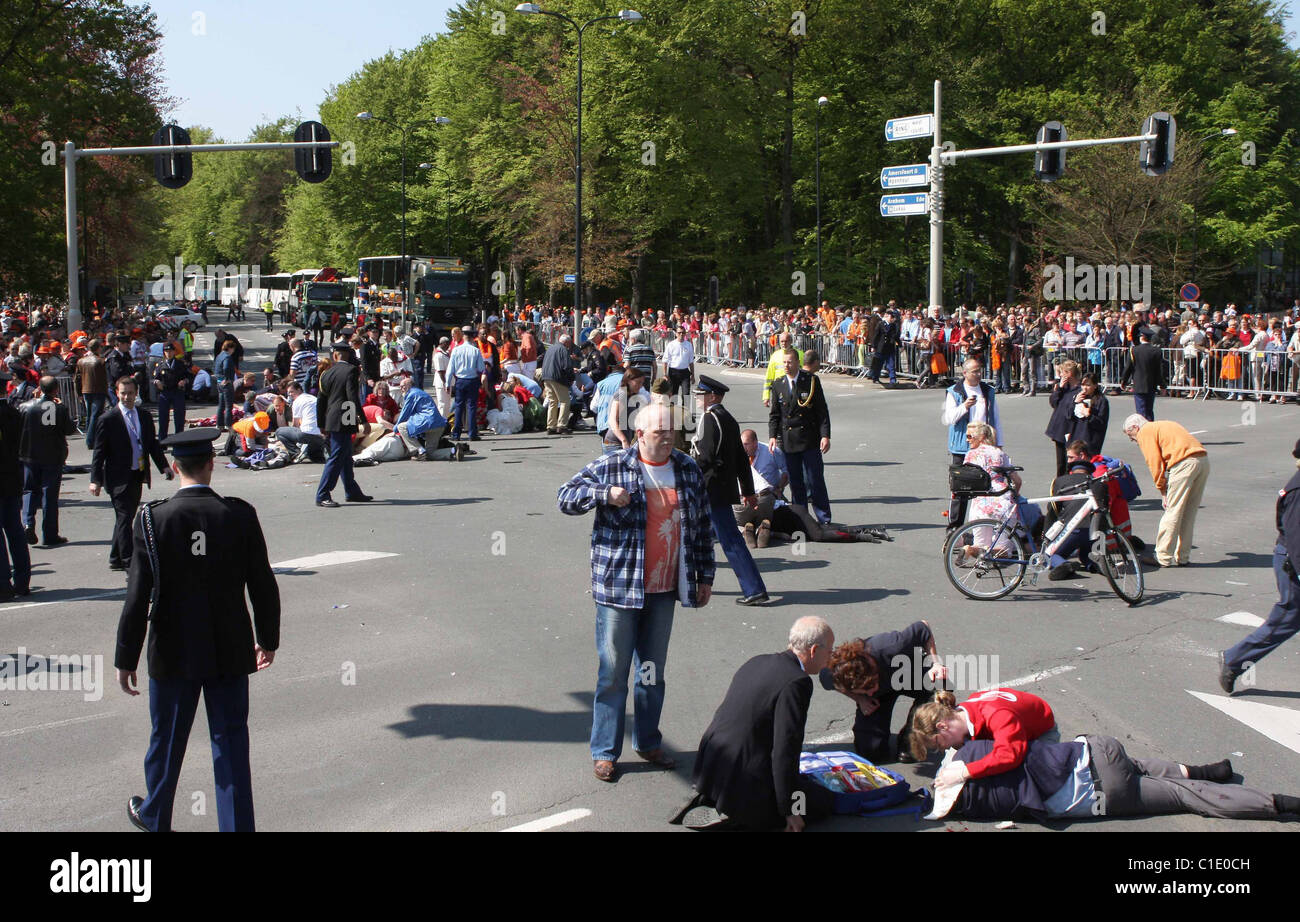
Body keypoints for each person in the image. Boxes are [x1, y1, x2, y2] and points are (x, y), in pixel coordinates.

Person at [116, 428, 280, 832]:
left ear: (174, 468)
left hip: (173, 649)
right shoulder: (239, 514)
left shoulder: (152, 519)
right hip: (229, 646)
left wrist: (126, 657)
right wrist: (268, 639)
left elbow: (138, 595)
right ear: (211, 466)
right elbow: (262, 582)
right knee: (230, 744)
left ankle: (155, 816)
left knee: (167, 741)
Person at [557, 402, 715, 783]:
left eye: (672, 432)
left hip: (663, 590)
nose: (668, 440)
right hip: (619, 589)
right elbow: (565, 496)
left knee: (651, 673)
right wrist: (603, 495)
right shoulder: (614, 465)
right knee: (613, 674)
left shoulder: (686, 468)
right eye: (660, 433)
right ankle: (605, 752)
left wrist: (705, 574)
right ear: (640, 434)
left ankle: (647, 741)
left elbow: (702, 525)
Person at [677, 617, 837, 831]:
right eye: (830, 651)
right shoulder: (797, 682)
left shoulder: (758, 660)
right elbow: (785, 749)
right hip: (743, 776)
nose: (831, 657)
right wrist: (790, 810)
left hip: (710, 766)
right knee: (823, 801)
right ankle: (736, 813)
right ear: (814, 650)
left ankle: (711, 794)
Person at [930, 734, 1300, 824]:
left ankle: (1280, 804)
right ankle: (1202, 769)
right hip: (1097, 748)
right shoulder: (976, 750)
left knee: (1186, 797)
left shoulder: (979, 804)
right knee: (1138, 765)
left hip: (1105, 792)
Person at [1218, 438, 1300, 692]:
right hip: (1292, 561)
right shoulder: (1298, 492)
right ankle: (1234, 660)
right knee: (1289, 616)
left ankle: (1235, 659)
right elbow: (1297, 540)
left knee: (1290, 618)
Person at [821, 621, 948, 765]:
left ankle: (912, 736)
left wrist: (935, 663)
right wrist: (861, 699)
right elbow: (832, 682)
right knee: (870, 753)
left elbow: (924, 627)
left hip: (906, 673)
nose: (871, 691)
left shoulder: (893, 645)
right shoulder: (833, 674)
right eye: (865, 690)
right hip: (881, 695)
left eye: (872, 685)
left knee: (940, 683)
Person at [691, 375, 768, 606]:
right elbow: (742, 460)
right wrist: (748, 490)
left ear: (712, 396)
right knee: (698, 537)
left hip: (710, 489)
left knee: (729, 540)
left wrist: (688, 472)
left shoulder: (709, 418)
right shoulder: (729, 419)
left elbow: (704, 458)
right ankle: (689, 583)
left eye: (701, 395)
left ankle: (753, 588)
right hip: (722, 488)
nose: (698, 398)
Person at [90, 377, 173, 571]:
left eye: (130, 393)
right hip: (117, 477)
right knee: (125, 516)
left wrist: (164, 467)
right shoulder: (108, 419)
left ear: (136, 393)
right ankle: (128, 560)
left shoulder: (143, 416)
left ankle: (115, 557)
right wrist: (95, 480)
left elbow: (152, 444)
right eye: (123, 393)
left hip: (137, 473)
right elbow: (99, 452)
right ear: (117, 393)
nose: (127, 397)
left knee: (124, 518)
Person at [910, 688, 1059, 784]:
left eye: (938, 744)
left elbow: (1009, 755)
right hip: (1012, 726)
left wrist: (964, 772)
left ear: (942, 726)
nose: (942, 749)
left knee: (1039, 781)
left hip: (1040, 733)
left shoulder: (996, 715)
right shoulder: (960, 715)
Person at [1123, 414, 1209, 567]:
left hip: (1183, 464)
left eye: (1131, 436)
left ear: (1135, 427)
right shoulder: (1164, 424)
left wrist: (1163, 491)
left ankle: (1162, 556)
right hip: (1202, 460)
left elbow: (1154, 464)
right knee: (1189, 511)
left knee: (1173, 511)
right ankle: (1183, 556)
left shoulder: (1145, 431)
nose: (1133, 440)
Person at [768, 348, 832, 525]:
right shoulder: (778, 383)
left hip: (809, 439)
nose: (786, 366)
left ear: (797, 362)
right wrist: (773, 436)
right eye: (784, 363)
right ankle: (801, 519)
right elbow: (775, 414)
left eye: (789, 362)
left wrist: (825, 435)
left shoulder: (810, 381)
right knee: (796, 483)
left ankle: (824, 518)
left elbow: (822, 411)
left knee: (815, 480)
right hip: (789, 441)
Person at [18, 375, 77, 549]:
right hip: (51, 456)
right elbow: (69, 429)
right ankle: (49, 533)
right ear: (55, 390)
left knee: (28, 490)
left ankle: (28, 523)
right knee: (49, 495)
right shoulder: (57, 408)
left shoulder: (25, 407)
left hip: (30, 455)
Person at [315, 343, 372, 508]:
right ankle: (323, 494)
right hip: (345, 416)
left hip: (332, 418)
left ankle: (351, 490)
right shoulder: (351, 371)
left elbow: (321, 400)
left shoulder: (326, 373)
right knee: (338, 456)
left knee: (346, 455)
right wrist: (363, 420)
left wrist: (321, 423)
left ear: (335, 355)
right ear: (348, 355)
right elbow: (352, 397)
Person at [941, 358, 1000, 465]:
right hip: (962, 445)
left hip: (984, 444)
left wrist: (999, 443)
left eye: (979, 371)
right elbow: (950, 418)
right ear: (965, 373)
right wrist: (964, 406)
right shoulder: (954, 391)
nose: (978, 374)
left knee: (985, 478)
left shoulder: (988, 391)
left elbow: (995, 419)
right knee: (961, 479)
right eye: (974, 372)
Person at [446, 325, 487, 442]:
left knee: (458, 406)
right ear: (472, 337)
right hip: (472, 380)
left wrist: (447, 384)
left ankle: (456, 433)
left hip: (460, 381)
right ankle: (472, 433)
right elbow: (480, 368)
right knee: (472, 407)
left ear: (463, 336)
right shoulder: (475, 350)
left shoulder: (456, 350)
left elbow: (450, 369)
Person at [394, 375, 447, 461]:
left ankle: (420, 451)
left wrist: (395, 429)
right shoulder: (421, 393)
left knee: (401, 427)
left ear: (409, 385)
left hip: (426, 423)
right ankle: (453, 451)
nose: (401, 388)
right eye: (400, 387)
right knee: (431, 453)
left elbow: (404, 414)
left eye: (403, 386)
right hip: (438, 424)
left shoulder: (411, 395)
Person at [1045, 359, 1082, 476]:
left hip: (1070, 429)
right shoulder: (1063, 388)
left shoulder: (1080, 390)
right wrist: (1059, 388)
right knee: (1061, 463)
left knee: (1070, 461)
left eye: (1062, 372)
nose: (1060, 375)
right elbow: (1053, 403)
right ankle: (1060, 483)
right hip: (1059, 429)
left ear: (1069, 373)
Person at [1121, 327, 1164, 420]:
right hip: (1151, 385)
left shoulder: (1134, 350)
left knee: (1141, 411)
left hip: (1139, 384)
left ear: (1142, 337)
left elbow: (1128, 368)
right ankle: (1150, 429)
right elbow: (1159, 370)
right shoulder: (1156, 351)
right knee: (1149, 410)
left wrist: (1124, 381)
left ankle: (1144, 431)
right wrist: (1162, 385)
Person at [539, 332, 575, 436]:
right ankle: (561, 426)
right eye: (570, 343)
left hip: (546, 377)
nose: (570, 346)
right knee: (565, 401)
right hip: (558, 378)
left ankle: (551, 426)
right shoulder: (563, 350)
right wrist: (571, 378)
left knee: (552, 401)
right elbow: (567, 366)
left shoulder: (550, 348)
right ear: (566, 342)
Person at [153, 341, 189, 439]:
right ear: (164, 353)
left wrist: (184, 381)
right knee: (163, 417)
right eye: (166, 351)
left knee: (179, 417)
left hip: (177, 391)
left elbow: (187, 377)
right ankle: (163, 440)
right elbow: (155, 378)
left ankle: (179, 438)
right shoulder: (160, 365)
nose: (168, 353)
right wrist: (157, 382)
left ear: (174, 352)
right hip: (165, 392)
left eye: (170, 351)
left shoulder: (180, 364)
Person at [1068, 373, 1109, 456]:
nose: (1084, 388)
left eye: (1088, 385)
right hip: (1075, 438)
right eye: (1082, 385)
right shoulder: (1078, 396)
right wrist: (1075, 402)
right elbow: (1069, 416)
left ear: (1095, 385)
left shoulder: (1101, 401)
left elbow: (1101, 423)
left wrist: (1089, 415)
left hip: (1090, 441)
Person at [77, 340, 109, 444]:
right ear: (98, 348)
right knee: (95, 415)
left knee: (90, 414)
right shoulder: (101, 361)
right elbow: (105, 377)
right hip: (98, 390)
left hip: (86, 390)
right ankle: (90, 440)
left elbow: (77, 378)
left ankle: (90, 437)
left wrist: (78, 393)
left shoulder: (81, 361)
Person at [762, 332, 803, 406]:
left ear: (791, 341)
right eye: (782, 341)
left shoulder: (800, 354)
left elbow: (806, 373)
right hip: (779, 390)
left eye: (786, 341)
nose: (784, 343)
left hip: (796, 389)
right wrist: (766, 396)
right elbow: (769, 377)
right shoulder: (775, 355)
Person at [662, 328, 695, 404]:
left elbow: (691, 361)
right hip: (673, 372)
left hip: (685, 372)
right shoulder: (671, 344)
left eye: (683, 332)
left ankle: (685, 413)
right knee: (674, 395)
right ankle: (673, 413)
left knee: (686, 394)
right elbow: (665, 360)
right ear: (676, 334)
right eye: (679, 332)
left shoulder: (688, 345)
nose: (681, 334)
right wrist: (664, 374)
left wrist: (693, 375)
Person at [213, 339, 237, 432]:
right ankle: (228, 424)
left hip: (219, 382)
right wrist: (227, 379)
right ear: (230, 348)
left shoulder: (219, 355)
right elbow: (226, 367)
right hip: (226, 383)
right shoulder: (227, 357)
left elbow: (215, 366)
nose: (233, 351)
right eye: (233, 349)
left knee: (221, 405)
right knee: (228, 405)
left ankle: (219, 424)